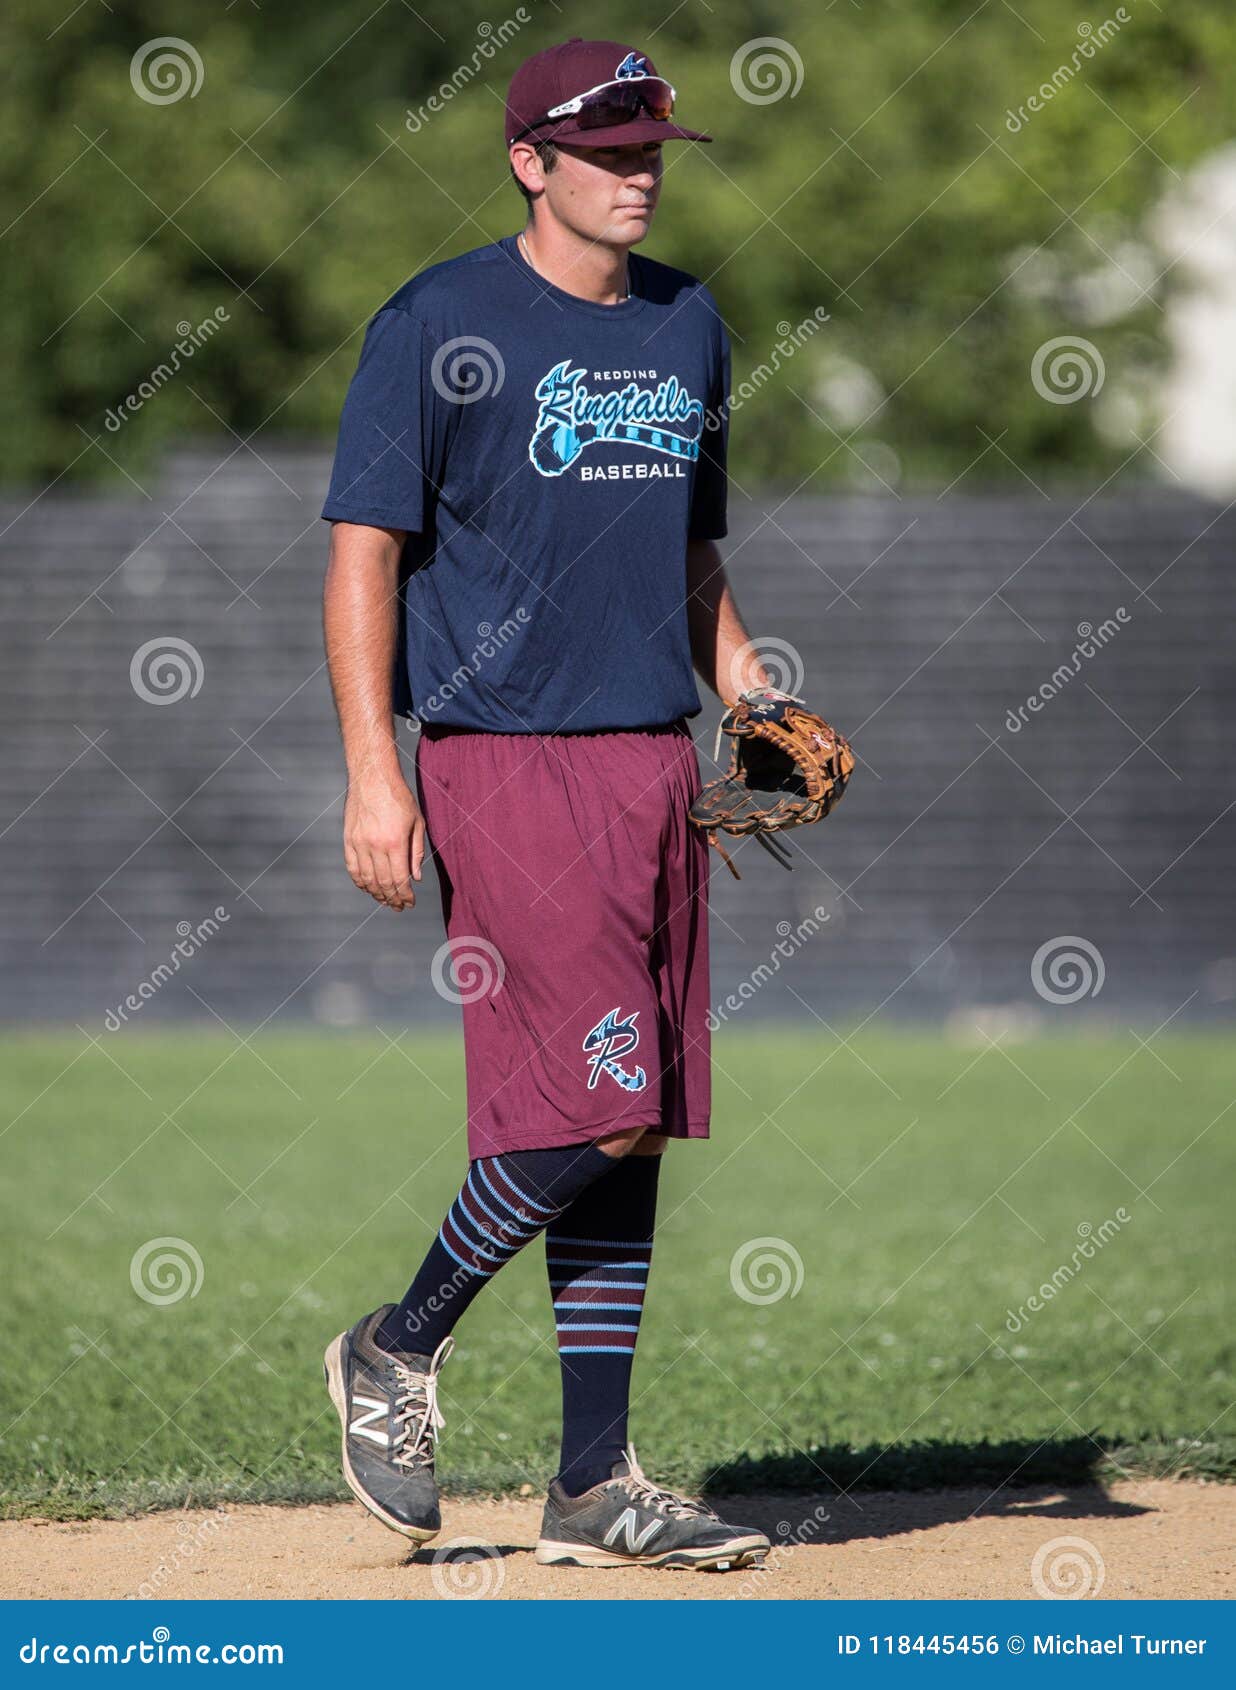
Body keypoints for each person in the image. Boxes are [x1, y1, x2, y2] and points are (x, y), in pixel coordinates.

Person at [320, 35, 774, 1572]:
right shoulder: (439, 323)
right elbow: (364, 553)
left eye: (655, 147)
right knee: (601, 1096)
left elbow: (693, 551)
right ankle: (398, 1340)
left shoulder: (689, 326)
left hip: (652, 757)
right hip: (503, 754)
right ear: (532, 162)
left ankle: (593, 1483)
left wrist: (751, 691)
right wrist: (375, 769)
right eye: (611, 149)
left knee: (631, 1124)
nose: (641, 169)